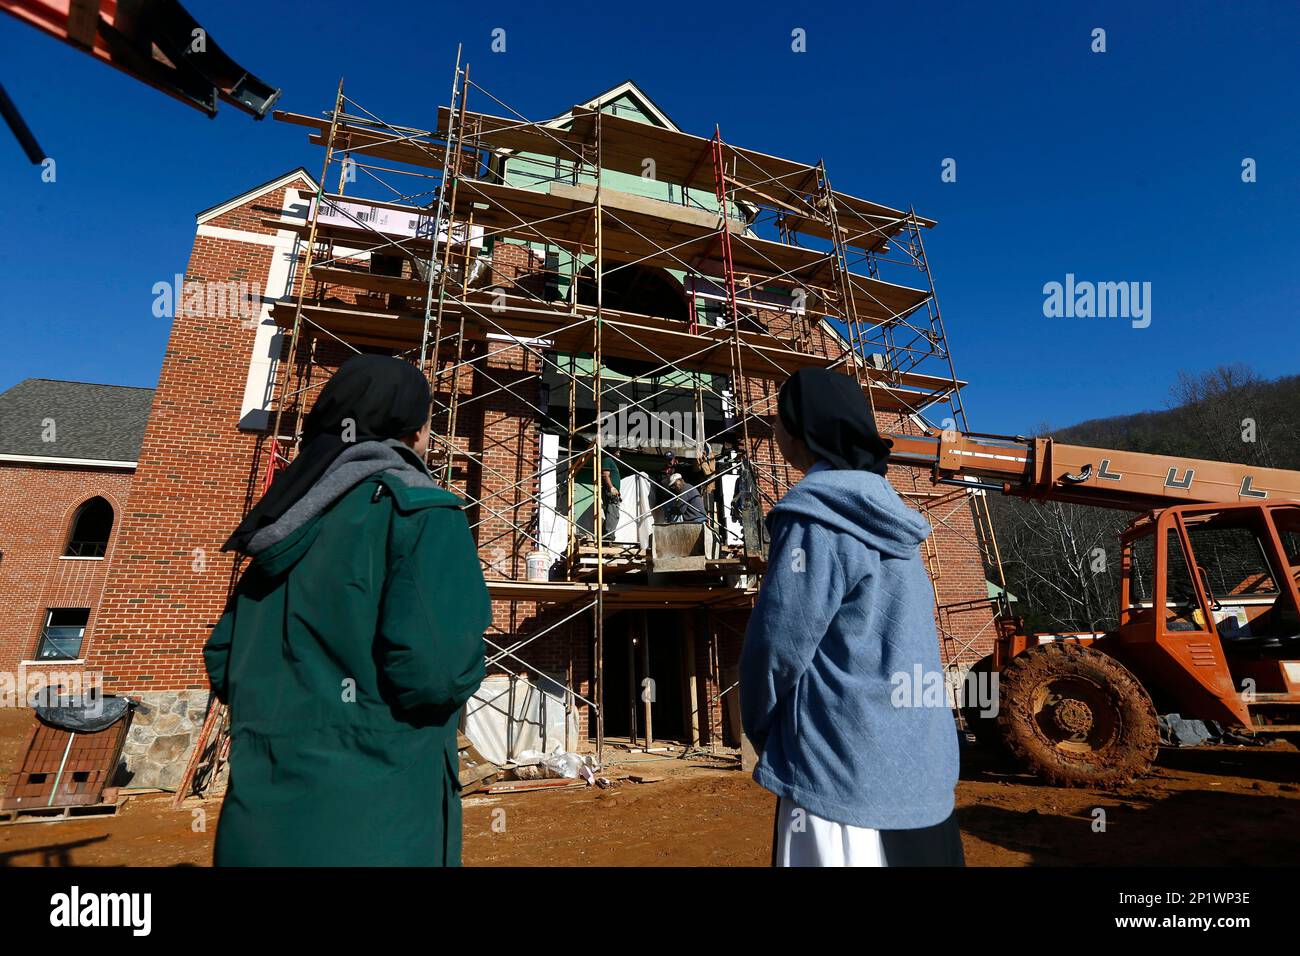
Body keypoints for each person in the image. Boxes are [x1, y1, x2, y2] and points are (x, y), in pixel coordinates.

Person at [204, 355, 490, 867]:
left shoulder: (281, 520)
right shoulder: (422, 511)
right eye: (429, 421)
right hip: (378, 819)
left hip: (259, 825)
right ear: (414, 430)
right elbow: (436, 674)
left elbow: (225, 658)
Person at [739, 367, 963, 867]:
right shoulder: (892, 516)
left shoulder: (816, 517)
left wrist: (764, 730)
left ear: (801, 431)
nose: (774, 434)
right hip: (919, 775)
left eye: (778, 422)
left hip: (838, 775)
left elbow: (777, 646)